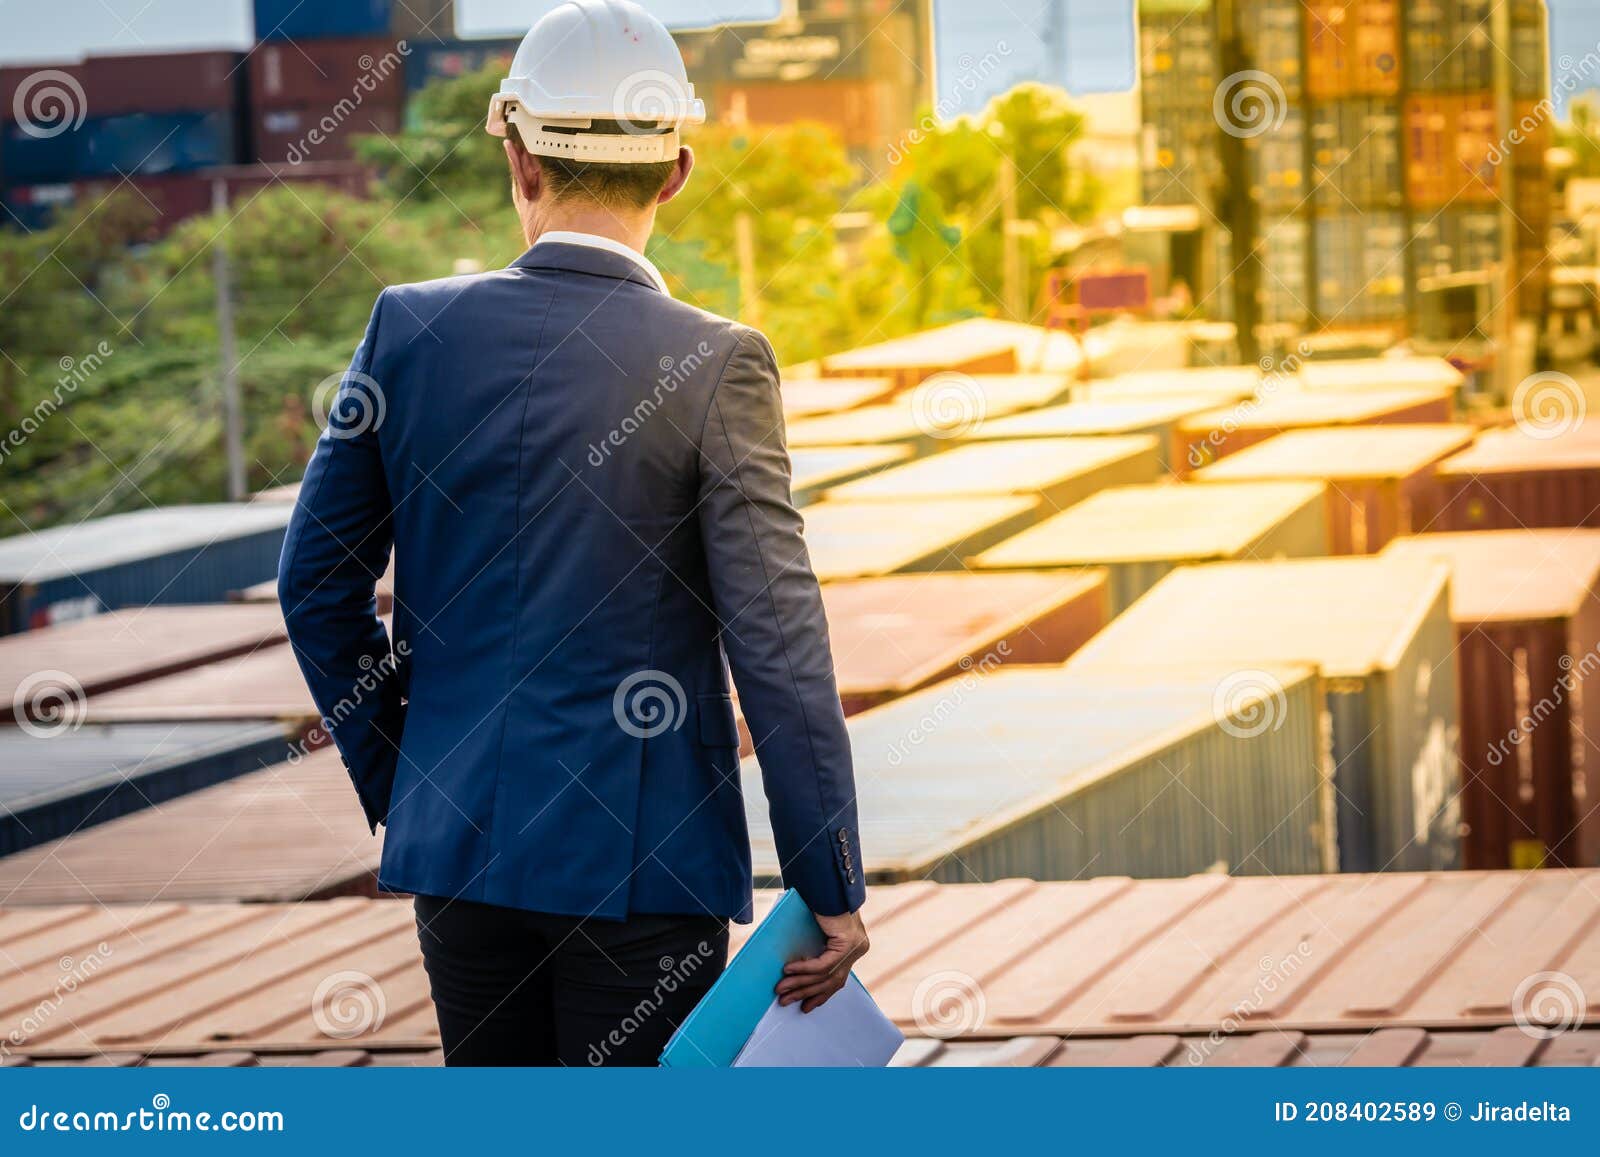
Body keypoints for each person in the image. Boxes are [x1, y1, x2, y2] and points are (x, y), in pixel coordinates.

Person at [277, 0, 868, 1066]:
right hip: (644, 866)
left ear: (518, 155)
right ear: (676, 171)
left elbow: (313, 585)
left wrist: (416, 778)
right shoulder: (718, 362)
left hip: (458, 857)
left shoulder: (408, 330)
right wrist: (828, 883)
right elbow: (776, 643)